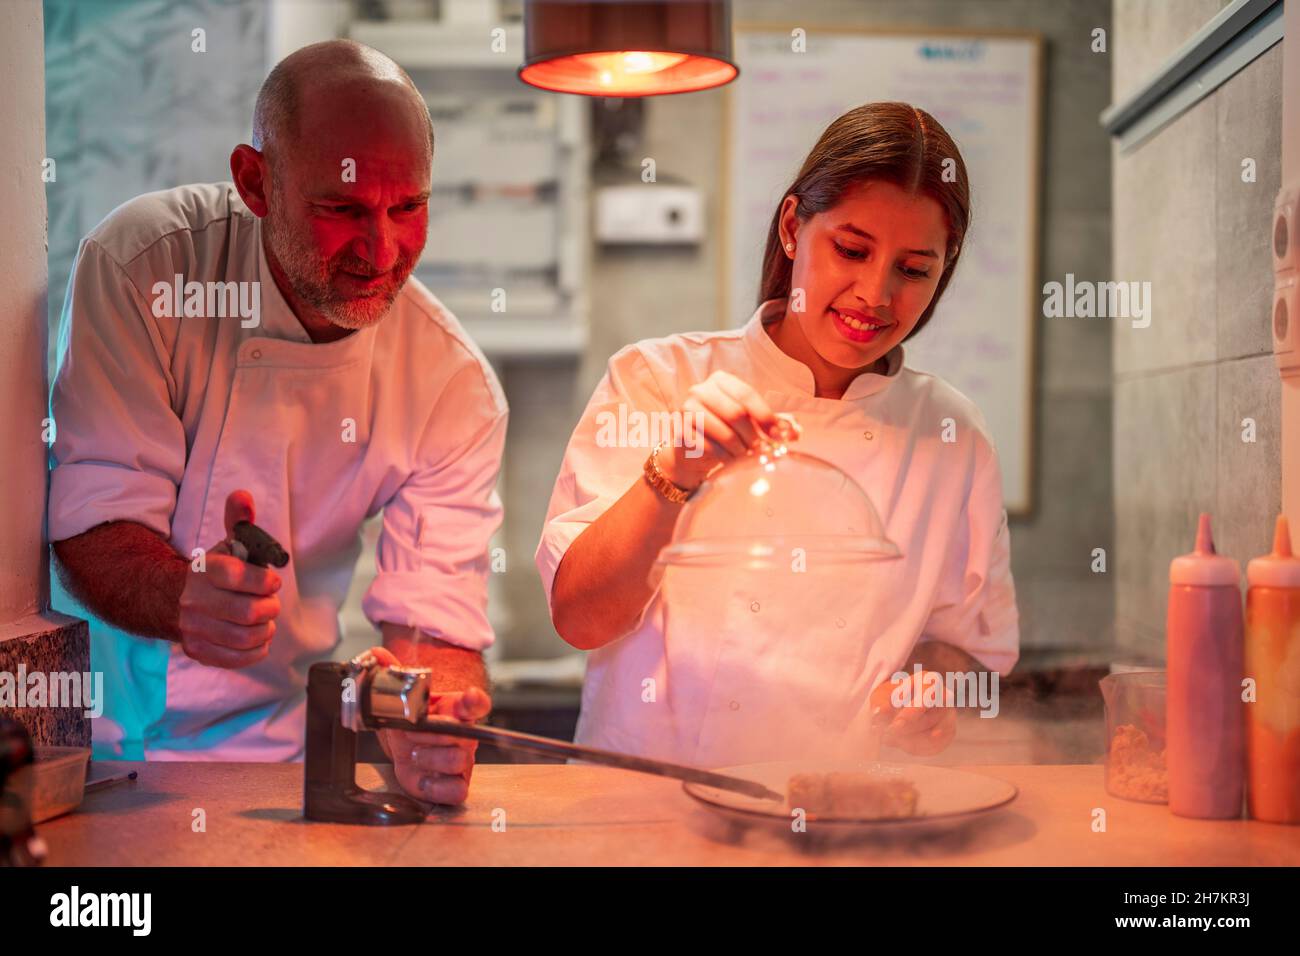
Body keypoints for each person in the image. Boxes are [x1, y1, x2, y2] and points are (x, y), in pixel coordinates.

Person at [48, 40, 504, 805]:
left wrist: (436, 713)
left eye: (409, 208)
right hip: (81, 744)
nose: (382, 249)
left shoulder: (451, 384)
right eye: (342, 208)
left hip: (266, 759)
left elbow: (434, 620)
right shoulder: (147, 268)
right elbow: (94, 518)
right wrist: (182, 595)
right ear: (255, 183)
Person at [537, 102, 1019, 767]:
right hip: (648, 814)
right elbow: (579, 617)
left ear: (946, 265)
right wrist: (671, 473)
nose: (874, 295)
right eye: (851, 249)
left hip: (842, 815)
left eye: (913, 270)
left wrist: (932, 689)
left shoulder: (951, 435)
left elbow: (958, 643)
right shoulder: (657, 379)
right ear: (794, 227)